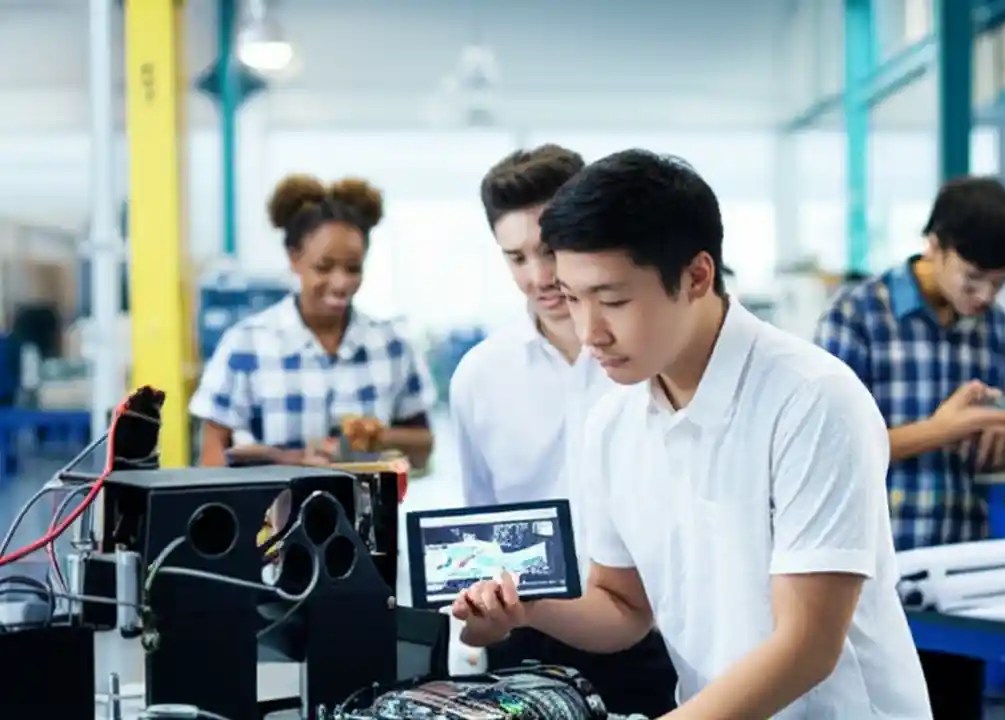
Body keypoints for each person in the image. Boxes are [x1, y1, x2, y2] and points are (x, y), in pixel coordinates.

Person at [452, 149, 931, 719]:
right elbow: (623, 606)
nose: (590, 332)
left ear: (698, 276)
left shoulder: (812, 399)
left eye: (613, 300)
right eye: (574, 300)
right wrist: (529, 610)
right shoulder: (616, 420)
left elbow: (806, 646)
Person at [449, 145, 677, 717]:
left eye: (548, 250)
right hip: (529, 639)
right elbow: (481, 524)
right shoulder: (480, 375)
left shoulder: (654, 360)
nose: (539, 276)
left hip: (663, 632)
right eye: (515, 257)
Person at [815, 175, 1005, 720]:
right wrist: (943, 428)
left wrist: (997, 439)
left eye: (1000, 285)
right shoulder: (856, 316)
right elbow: (823, 452)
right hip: (872, 573)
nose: (986, 298)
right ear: (934, 245)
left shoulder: (994, 328)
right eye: (974, 280)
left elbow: (983, 449)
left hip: (961, 574)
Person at [190, 174, 436, 470]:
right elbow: (213, 452)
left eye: (353, 268)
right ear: (294, 258)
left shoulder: (392, 346)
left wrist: (370, 437)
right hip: (273, 514)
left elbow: (423, 449)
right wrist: (293, 460)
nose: (340, 282)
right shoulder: (246, 345)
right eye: (324, 267)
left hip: (369, 514)